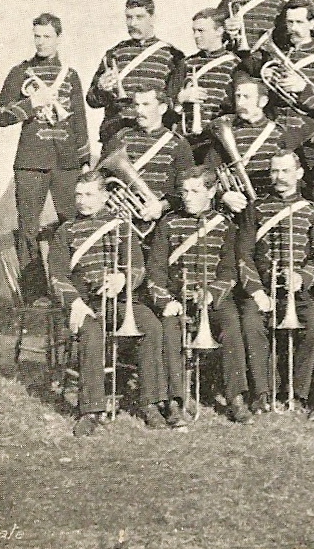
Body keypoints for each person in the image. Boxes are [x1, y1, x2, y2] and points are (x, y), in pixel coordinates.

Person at [48, 171, 170, 434]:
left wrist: (123, 280)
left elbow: (138, 267)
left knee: (151, 325)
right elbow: (56, 274)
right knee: (91, 334)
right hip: (87, 305)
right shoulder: (65, 230)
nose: (82, 200)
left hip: (119, 302)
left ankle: (151, 403)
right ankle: (91, 410)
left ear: (105, 196)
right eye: (78, 194)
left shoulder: (122, 226)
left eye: (89, 194)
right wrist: (74, 302)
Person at [0, 12, 91, 302]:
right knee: (28, 228)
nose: (41, 42)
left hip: (66, 161)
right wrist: (31, 103)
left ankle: (77, 289)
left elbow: (80, 122)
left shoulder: (70, 75)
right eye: (37, 36)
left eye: (47, 36)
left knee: (73, 220)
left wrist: (84, 161)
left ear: (58, 38)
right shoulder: (19, 73)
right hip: (31, 161)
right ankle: (37, 295)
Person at [147, 166, 246, 423]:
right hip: (177, 299)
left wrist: (212, 294)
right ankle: (175, 401)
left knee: (231, 325)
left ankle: (235, 397)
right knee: (170, 330)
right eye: (184, 191)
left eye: (195, 191)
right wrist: (165, 301)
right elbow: (155, 270)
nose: (187, 197)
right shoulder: (168, 223)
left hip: (211, 300)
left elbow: (229, 271)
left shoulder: (224, 225)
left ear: (212, 192)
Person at [237, 151, 314, 418]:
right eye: (274, 171)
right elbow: (244, 255)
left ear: (299, 173)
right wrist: (256, 291)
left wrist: (302, 278)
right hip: (263, 290)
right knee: (252, 325)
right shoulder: (256, 208)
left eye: (285, 171)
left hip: (297, 292)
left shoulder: (312, 210)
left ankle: (297, 394)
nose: (279, 177)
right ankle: (262, 394)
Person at [88, 0, 183, 145]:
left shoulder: (172, 56)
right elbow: (92, 100)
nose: (133, 23)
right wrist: (101, 88)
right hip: (116, 134)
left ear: (152, 18)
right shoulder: (115, 53)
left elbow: (176, 102)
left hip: (154, 138)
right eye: (129, 17)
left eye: (139, 17)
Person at [100, 87, 195, 237]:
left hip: (161, 224)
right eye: (136, 105)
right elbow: (100, 177)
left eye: (146, 105)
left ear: (162, 108)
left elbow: (186, 189)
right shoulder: (121, 137)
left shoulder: (179, 144)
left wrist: (162, 206)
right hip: (119, 219)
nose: (139, 110)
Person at [204, 74, 297, 215]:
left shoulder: (280, 133)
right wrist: (223, 195)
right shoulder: (224, 129)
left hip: (270, 208)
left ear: (263, 101)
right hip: (234, 208)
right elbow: (209, 172)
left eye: (246, 97)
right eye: (238, 96)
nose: (240, 103)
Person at [168, 8, 239, 161]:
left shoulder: (235, 64)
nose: (196, 36)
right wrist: (180, 98)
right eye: (194, 31)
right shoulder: (186, 63)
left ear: (219, 31)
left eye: (201, 31)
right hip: (186, 141)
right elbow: (167, 101)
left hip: (217, 144)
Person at [268, 0, 314, 141]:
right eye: (290, 22)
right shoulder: (276, 55)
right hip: (274, 136)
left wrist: (304, 88)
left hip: (307, 141)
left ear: (312, 23)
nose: (294, 28)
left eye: (300, 22)